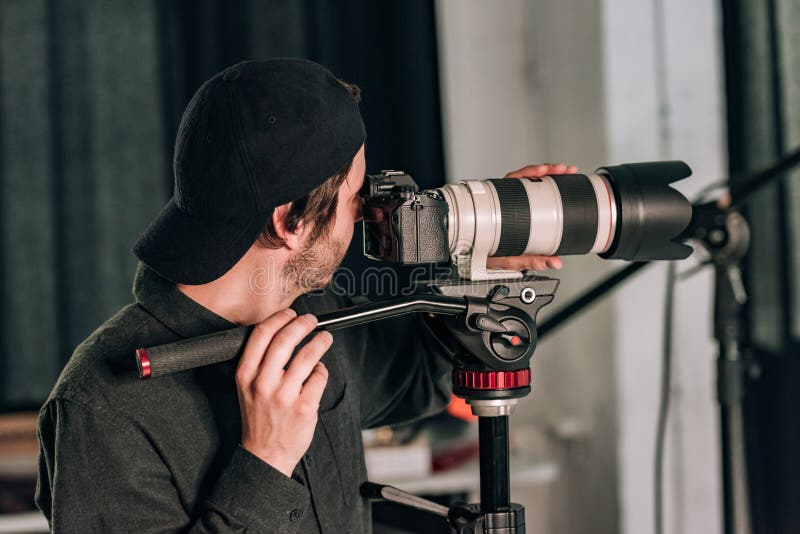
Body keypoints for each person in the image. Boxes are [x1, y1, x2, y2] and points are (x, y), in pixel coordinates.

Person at [35, 58, 574, 533]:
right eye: (355, 195)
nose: (367, 210)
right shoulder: (99, 411)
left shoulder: (314, 313)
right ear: (290, 221)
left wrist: (481, 261)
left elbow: (416, 376)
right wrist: (265, 461)